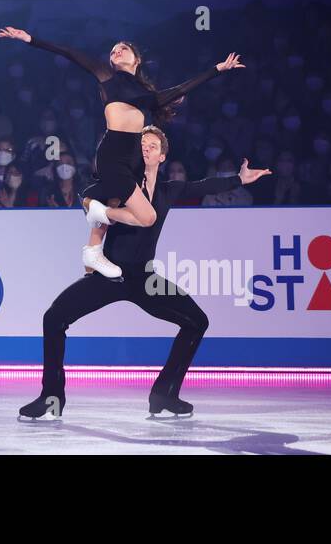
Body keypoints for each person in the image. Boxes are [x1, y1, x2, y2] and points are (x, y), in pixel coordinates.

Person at [19, 126, 271, 420]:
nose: (145, 148)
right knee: (53, 317)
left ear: (162, 156)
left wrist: (239, 179)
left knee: (197, 321)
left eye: (152, 145)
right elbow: (87, 195)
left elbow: (203, 186)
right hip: (109, 275)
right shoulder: (121, 187)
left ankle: (164, 394)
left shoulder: (168, 190)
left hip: (144, 279)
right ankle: (51, 397)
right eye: (141, 144)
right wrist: (97, 209)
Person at [0, 26, 240, 279]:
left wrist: (216, 70)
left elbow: (180, 90)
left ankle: (93, 250)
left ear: (137, 59)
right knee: (147, 217)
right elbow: (69, 52)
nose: (116, 52)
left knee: (111, 201)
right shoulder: (107, 78)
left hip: (134, 156)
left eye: (123, 48)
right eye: (113, 51)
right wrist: (30, 39)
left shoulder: (149, 95)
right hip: (114, 152)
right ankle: (97, 229)